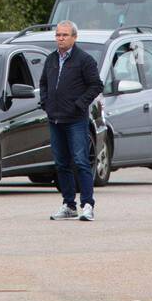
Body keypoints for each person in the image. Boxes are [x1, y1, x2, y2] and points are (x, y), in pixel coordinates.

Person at [39, 21, 102, 222]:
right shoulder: (51, 59)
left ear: (74, 37)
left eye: (65, 35)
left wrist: (79, 104)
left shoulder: (84, 60)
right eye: (58, 35)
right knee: (61, 163)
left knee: (81, 161)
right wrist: (46, 102)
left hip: (75, 119)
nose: (60, 38)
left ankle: (88, 204)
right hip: (55, 119)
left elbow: (96, 85)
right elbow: (43, 83)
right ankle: (69, 204)